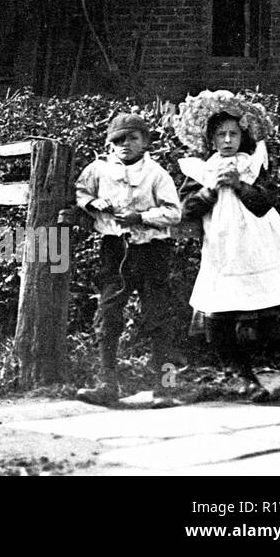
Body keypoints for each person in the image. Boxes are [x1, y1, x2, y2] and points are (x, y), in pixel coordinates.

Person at [174, 91, 280, 403]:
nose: (227, 140)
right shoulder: (200, 171)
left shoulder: (254, 164)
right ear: (211, 140)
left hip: (262, 243)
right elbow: (186, 209)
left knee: (278, 308)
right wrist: (213, 189)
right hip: (224, 250)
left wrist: (239, 185)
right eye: (220, 135)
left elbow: (267, 202)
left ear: (243, 137)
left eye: (233, 134)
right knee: (220, 312)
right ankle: (243, 377)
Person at [73, 112, 182, 406]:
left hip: (151, 251)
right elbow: (81, 192)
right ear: (110, 143)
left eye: (133, 138)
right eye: (118, 139)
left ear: (145, 142)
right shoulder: (98, 170)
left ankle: (166, 386)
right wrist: (93, 203)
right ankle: (107, 383)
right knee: (108, 314)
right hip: (114, 249)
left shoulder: (156, 174)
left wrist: (142, 217)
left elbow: (174, 212)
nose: (125, 144)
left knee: (157, 316)